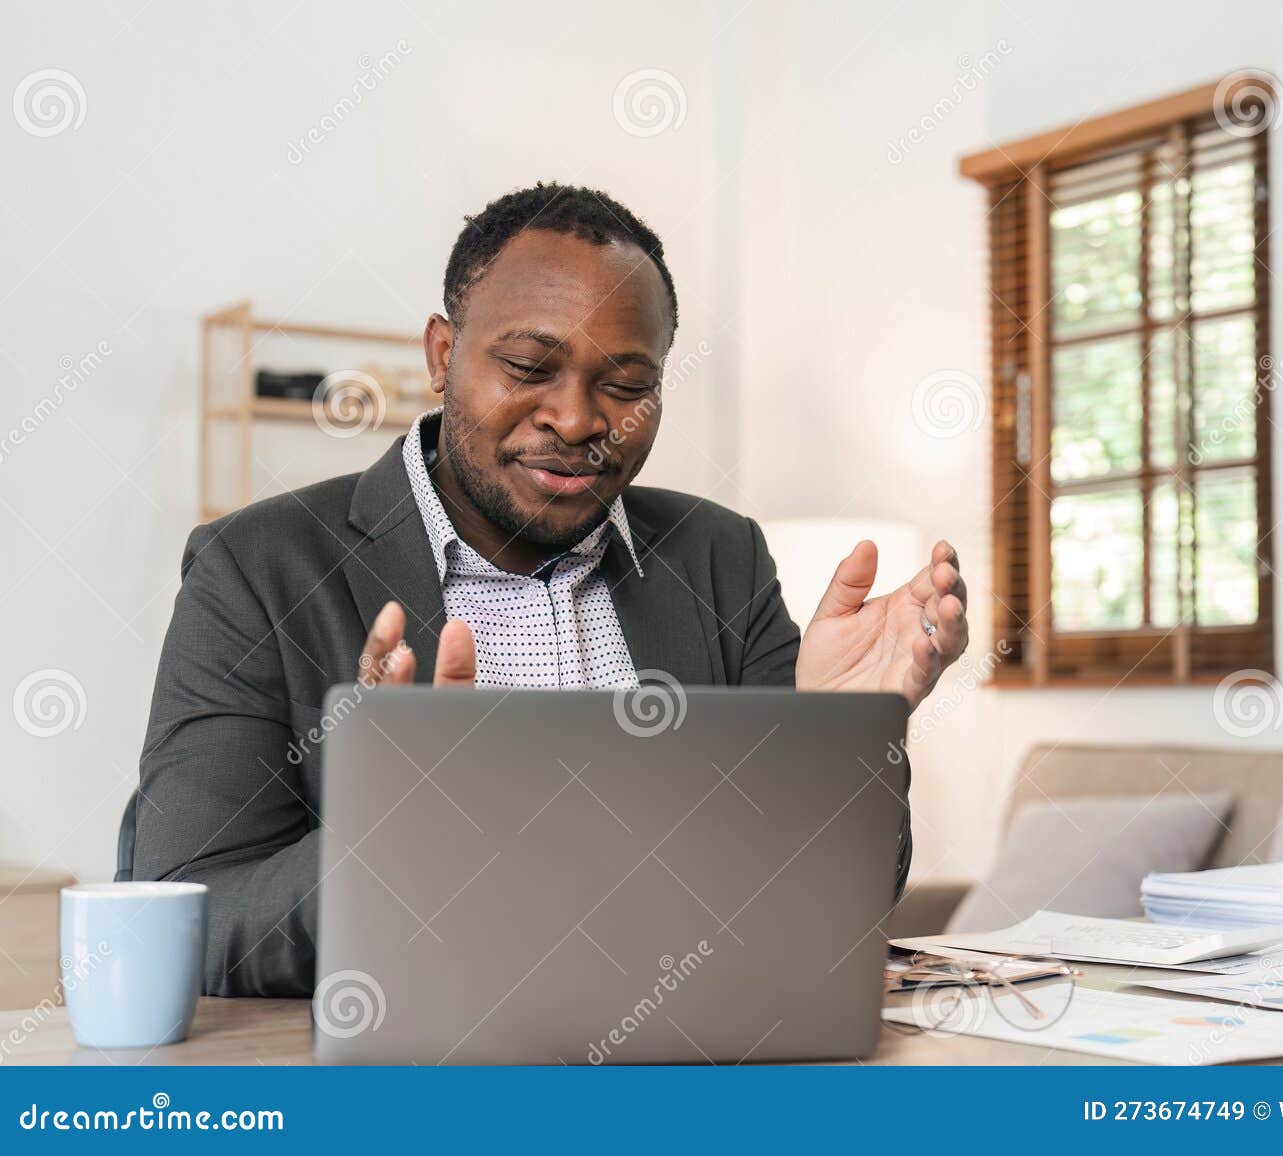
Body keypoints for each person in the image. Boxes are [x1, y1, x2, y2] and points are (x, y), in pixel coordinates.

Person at [134, 183, 969, 996]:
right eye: (529, 366)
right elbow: (186, 923)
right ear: (441, 355)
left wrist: (842, 748)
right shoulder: (257, 568)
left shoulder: (721, 556)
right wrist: (387, 844)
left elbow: (838, 901)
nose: (575, 420)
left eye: (628, 386)